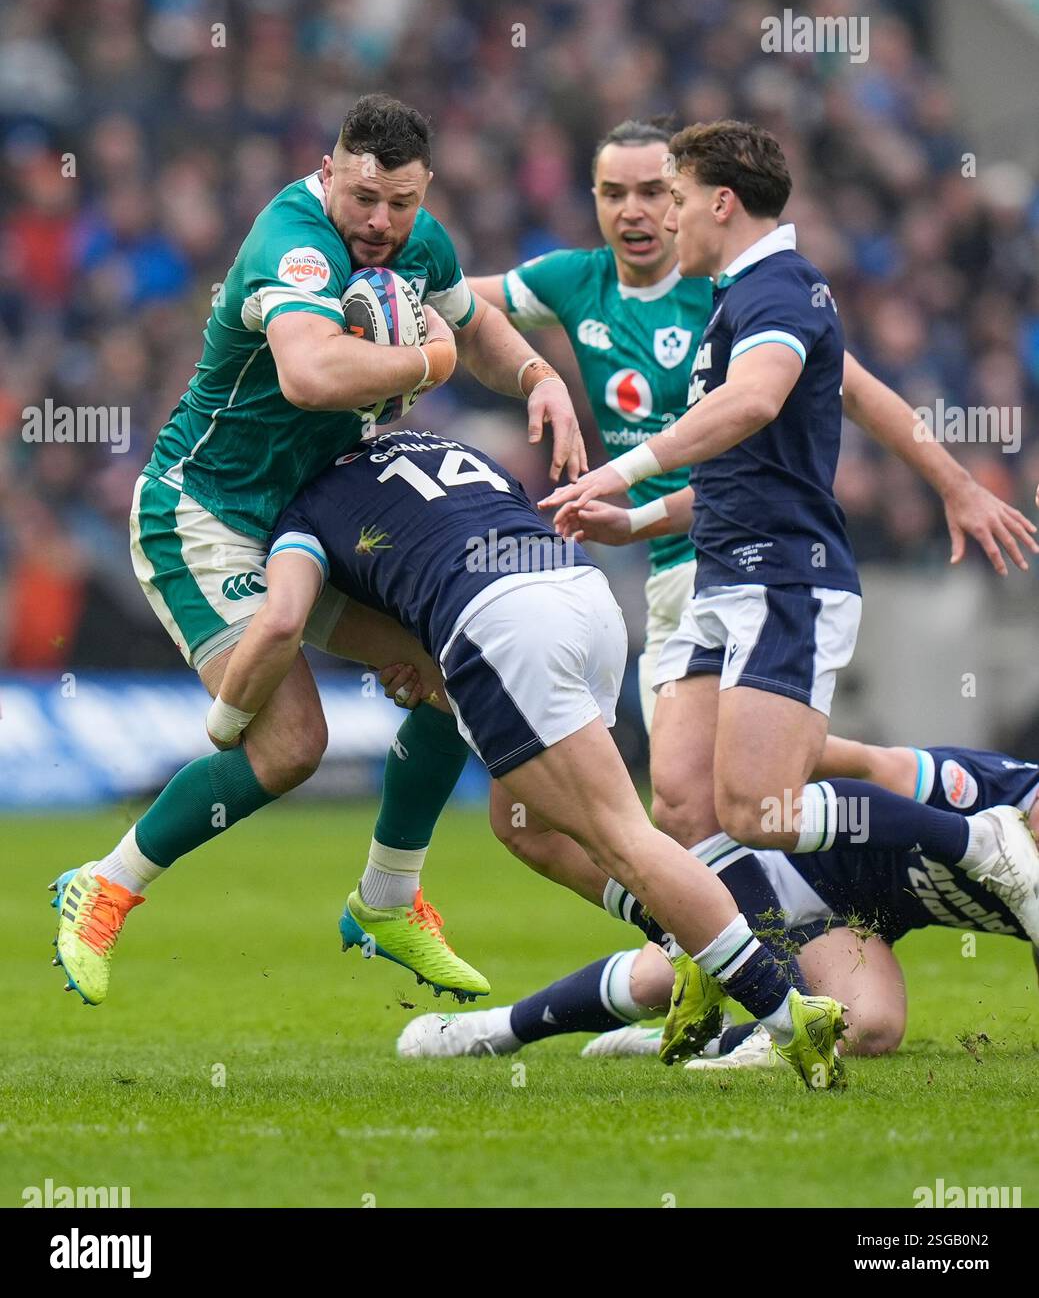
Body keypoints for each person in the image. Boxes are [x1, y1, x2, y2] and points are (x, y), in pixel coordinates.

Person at [49, 93, 586, 1008]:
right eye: (365, 197)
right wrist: (429, 364)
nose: (380, 223)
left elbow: (477, 323)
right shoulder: (292, 242)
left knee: (459, 675)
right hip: (205, 512)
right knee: (294, 743)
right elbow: (308, 374)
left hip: (311, 511)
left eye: (402, 203)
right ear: (329, 171)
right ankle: (105, 883)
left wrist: (538, 376)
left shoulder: (420, 244)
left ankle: (386, 898)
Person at [541, 121, 1039, 1057]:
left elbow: (757, 402)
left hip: (782, 579)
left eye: (676, 197)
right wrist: (639, 520)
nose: (666, 216)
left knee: (756, 812)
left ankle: (976, 845)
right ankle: (749, 993)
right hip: (721, 573)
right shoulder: (738, 293)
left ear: (719, 203)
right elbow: (752, 454)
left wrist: (623, 470)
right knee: (683, 802)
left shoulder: (780, 287)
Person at [203, 425, 848, 1088]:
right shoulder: (434, 443)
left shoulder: (300, 508)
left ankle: (785, 1014)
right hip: (581, 596)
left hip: (503, 627)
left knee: (621, 837)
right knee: (526, 827)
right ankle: (685, 943)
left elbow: (282, 621)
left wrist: (225, 720)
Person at [397, 735, 1039, 1067]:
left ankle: (697, 1043)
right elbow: (857, 762)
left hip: (856, 919)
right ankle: (491, 1032)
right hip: (790, 864)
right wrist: (749, 775)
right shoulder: (975, 790)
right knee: (660, 974)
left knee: (869, 1029)